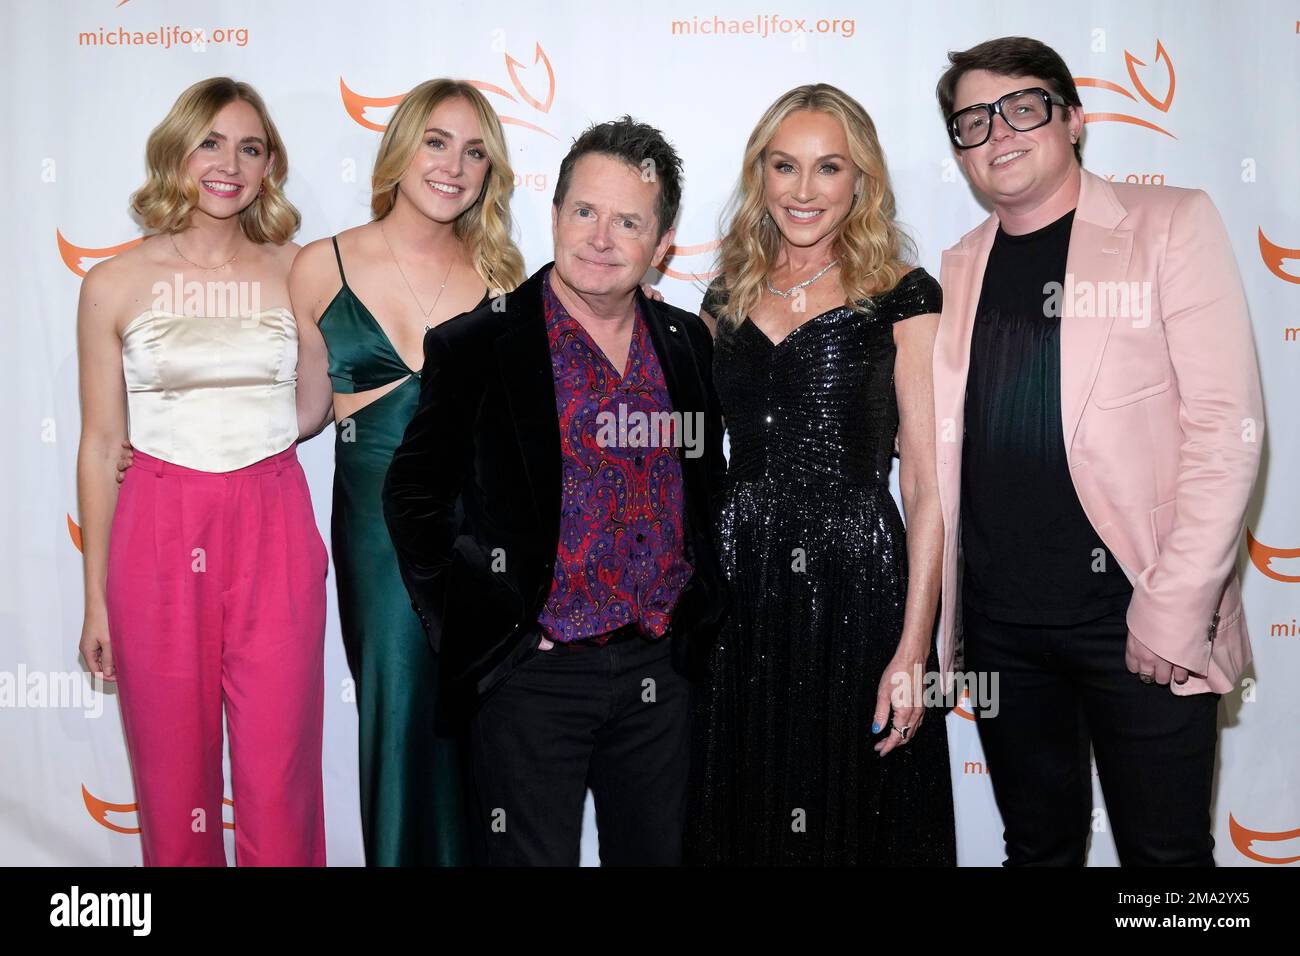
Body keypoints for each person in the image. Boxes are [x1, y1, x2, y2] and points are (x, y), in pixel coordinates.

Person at [933, 36, 1264, 865]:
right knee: (1037, 850)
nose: (998, 131)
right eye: (973, 119)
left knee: (1167, 863)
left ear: (1074, 120)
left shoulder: (1169, 224)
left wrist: (1173, 608)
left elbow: (1227, 428)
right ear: (961, 152)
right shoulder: (958, 266)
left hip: (1139, 618)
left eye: (1023, 106)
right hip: (1003, 631)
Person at [382, 116, 729, 866]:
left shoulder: (686, 344)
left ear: (663, 244)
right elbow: (412, 495)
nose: (600, 238)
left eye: (628, 221)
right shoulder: (476, 345)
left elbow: (704, 484)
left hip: (659, 676)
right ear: (554, 215)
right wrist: (478, 620)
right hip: (532, 676)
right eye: (584, 211)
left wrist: (697, 611)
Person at [686, 84, 955, 865]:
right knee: (743, 789)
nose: (804, 191)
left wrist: (913, 650)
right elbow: (693, 454)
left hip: (858, 576)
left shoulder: (903, 295)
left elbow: (928, 487)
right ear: (759, 175)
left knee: (858, 803)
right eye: (785, 166)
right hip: (739, 576)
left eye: (828, 168)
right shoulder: (722, 296)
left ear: (860, 179)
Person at [77, 77, 327, 866]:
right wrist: (95, 602)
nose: (229, 164)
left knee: (278, 774)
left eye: (250, 147)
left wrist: (247, 441)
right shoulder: (112, 283)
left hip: (274, 520)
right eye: (210, 142)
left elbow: (318, 403)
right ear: (175, 153)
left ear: (269, 167)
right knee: (171, 782)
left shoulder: (300, 272)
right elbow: (97, 441)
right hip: (155, 529)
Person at [291, 78, 524, 867]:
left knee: (475, 729)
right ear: (401, 148)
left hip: (474, 538)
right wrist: (160, 434)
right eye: (437, 141)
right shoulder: (318, 267)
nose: (453, 166)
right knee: (396, 721)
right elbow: (303, 412)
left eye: (474, 151)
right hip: (377, 536)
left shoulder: (504, 281)